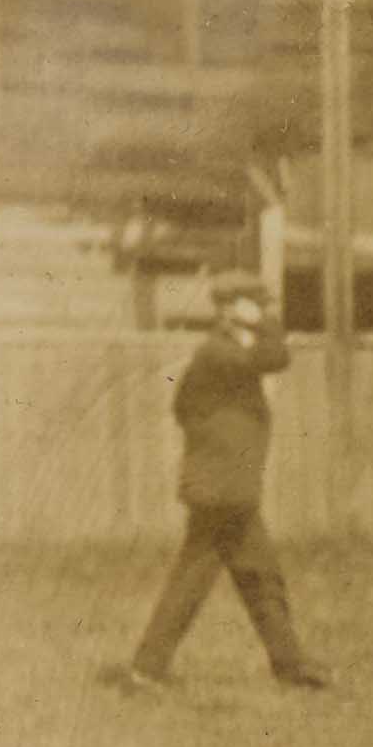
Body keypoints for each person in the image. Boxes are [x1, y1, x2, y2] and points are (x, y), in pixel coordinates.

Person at [109, 272, 332, 691]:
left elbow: (185, 407)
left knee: (259, 577)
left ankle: (289, 664)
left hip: (229, 489)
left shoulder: (225, 352)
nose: (265, 310)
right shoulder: (217, 352)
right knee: (200, 580)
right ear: (230, 308)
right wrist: (265, 323)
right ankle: (146, 669)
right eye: (256, 302)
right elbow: (274, 358)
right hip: (220, 491)